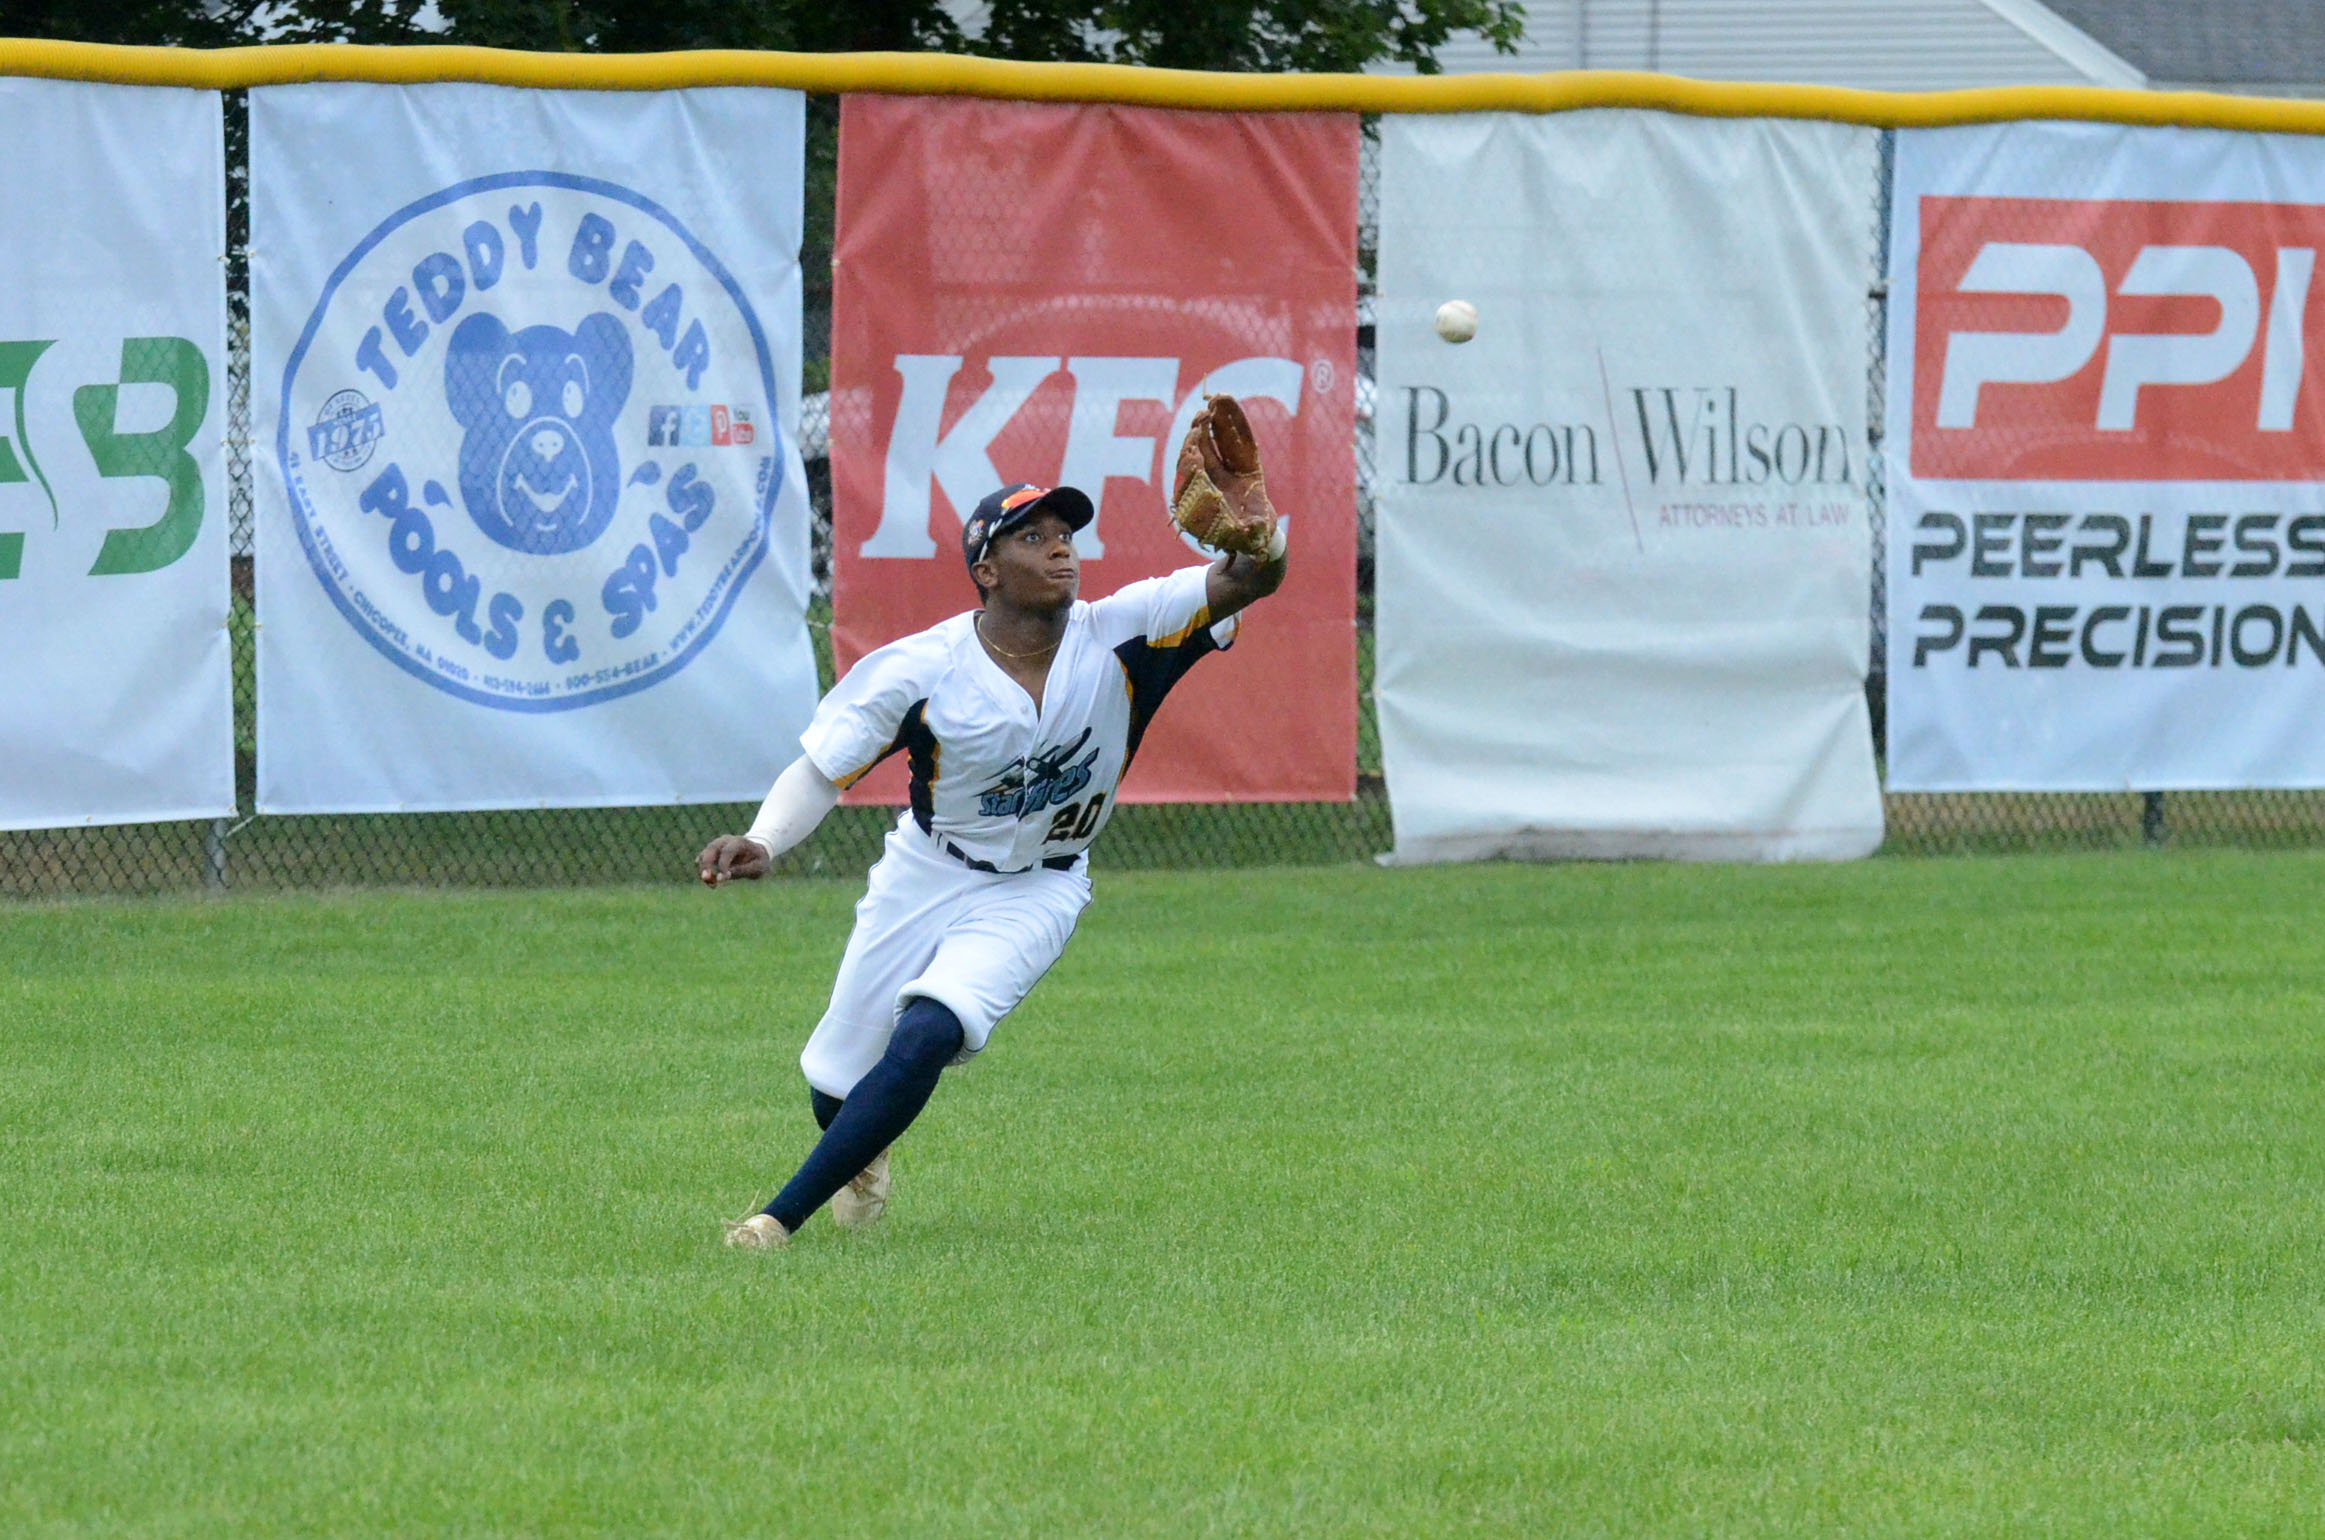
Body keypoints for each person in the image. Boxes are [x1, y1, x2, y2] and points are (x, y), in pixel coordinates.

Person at [699, 397, 1286, 1249]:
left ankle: (773, 1222)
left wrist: (1262, 537)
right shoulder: (920, 669)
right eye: (1032, 537)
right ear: (986, 569)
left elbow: (1248, 580)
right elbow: (824, 767)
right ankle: (861, 1149)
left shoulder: (1127, 630)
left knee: (931, 1028)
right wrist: (761, 838)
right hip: (927, 869)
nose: (1060, 548)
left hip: (1041, 885)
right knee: (834, 1085)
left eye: (1066, 534)